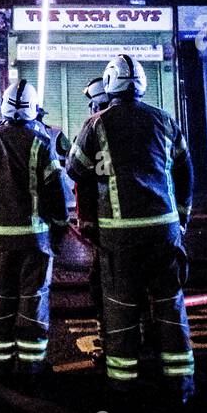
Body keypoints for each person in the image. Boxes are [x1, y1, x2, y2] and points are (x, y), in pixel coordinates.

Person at [66, 54, 195, 403]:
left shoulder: (96, 125)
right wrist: (181, 217)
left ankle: (123, 384)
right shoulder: (165, 121)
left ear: (109, 86)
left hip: (121, 238)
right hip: (165, 234)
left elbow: (75, 169)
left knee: (121, 307)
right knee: (170, 306)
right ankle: (181, 383)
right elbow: (185, 172)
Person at [0, 79, 69, 382]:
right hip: (35, 240)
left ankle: (0, 364)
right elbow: (55, 192)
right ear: (33, 110)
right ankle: (31, 365)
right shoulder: (40, 144)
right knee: (33, 300)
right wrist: (60, 230)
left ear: (4, 109)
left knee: (1, 299)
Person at [77, 76, 110, 345]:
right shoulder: (156, 121)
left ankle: (111, 341)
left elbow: (75, 169)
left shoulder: (94, 127)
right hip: (161, 230)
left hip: (112, 229)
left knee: (103, 286)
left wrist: (86, 222)